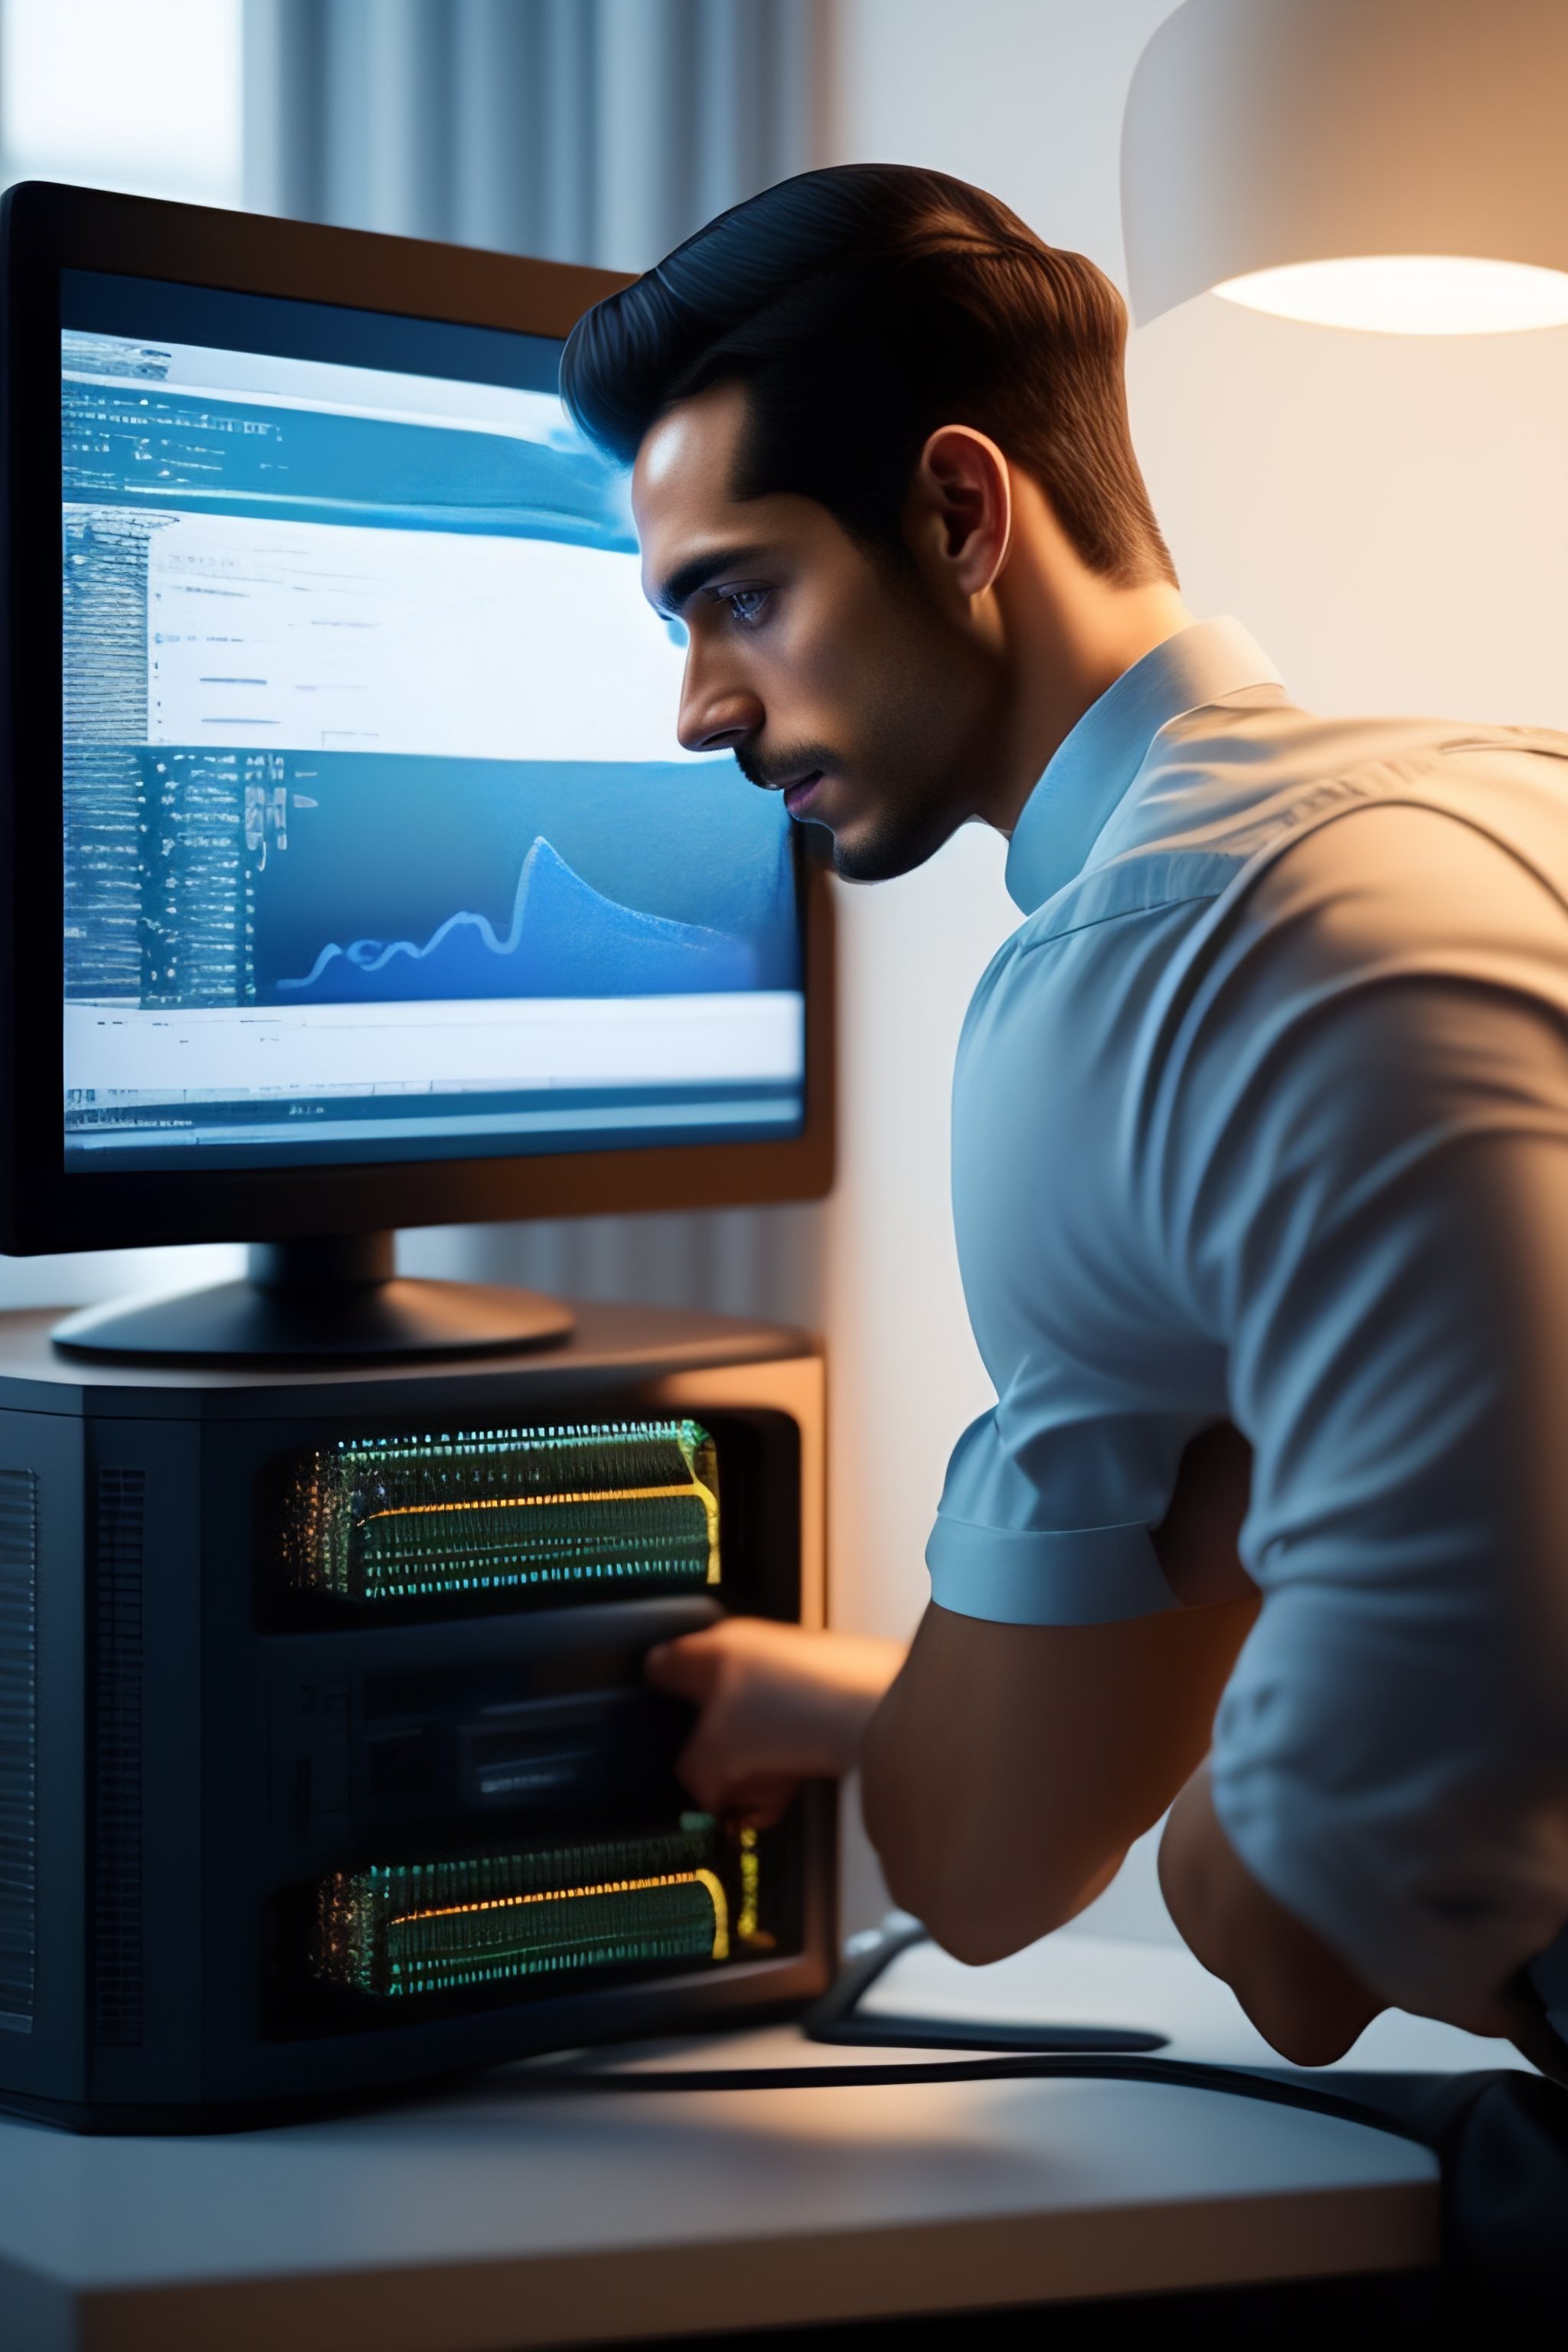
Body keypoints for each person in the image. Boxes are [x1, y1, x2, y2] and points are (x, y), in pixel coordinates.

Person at [561, 163, 1568, 2076]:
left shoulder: (1132, 970)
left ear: (959, 513)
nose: (699, 709)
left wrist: (1206, 1804)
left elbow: (1012, 1874)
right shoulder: (1516, 784)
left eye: (741, 598)